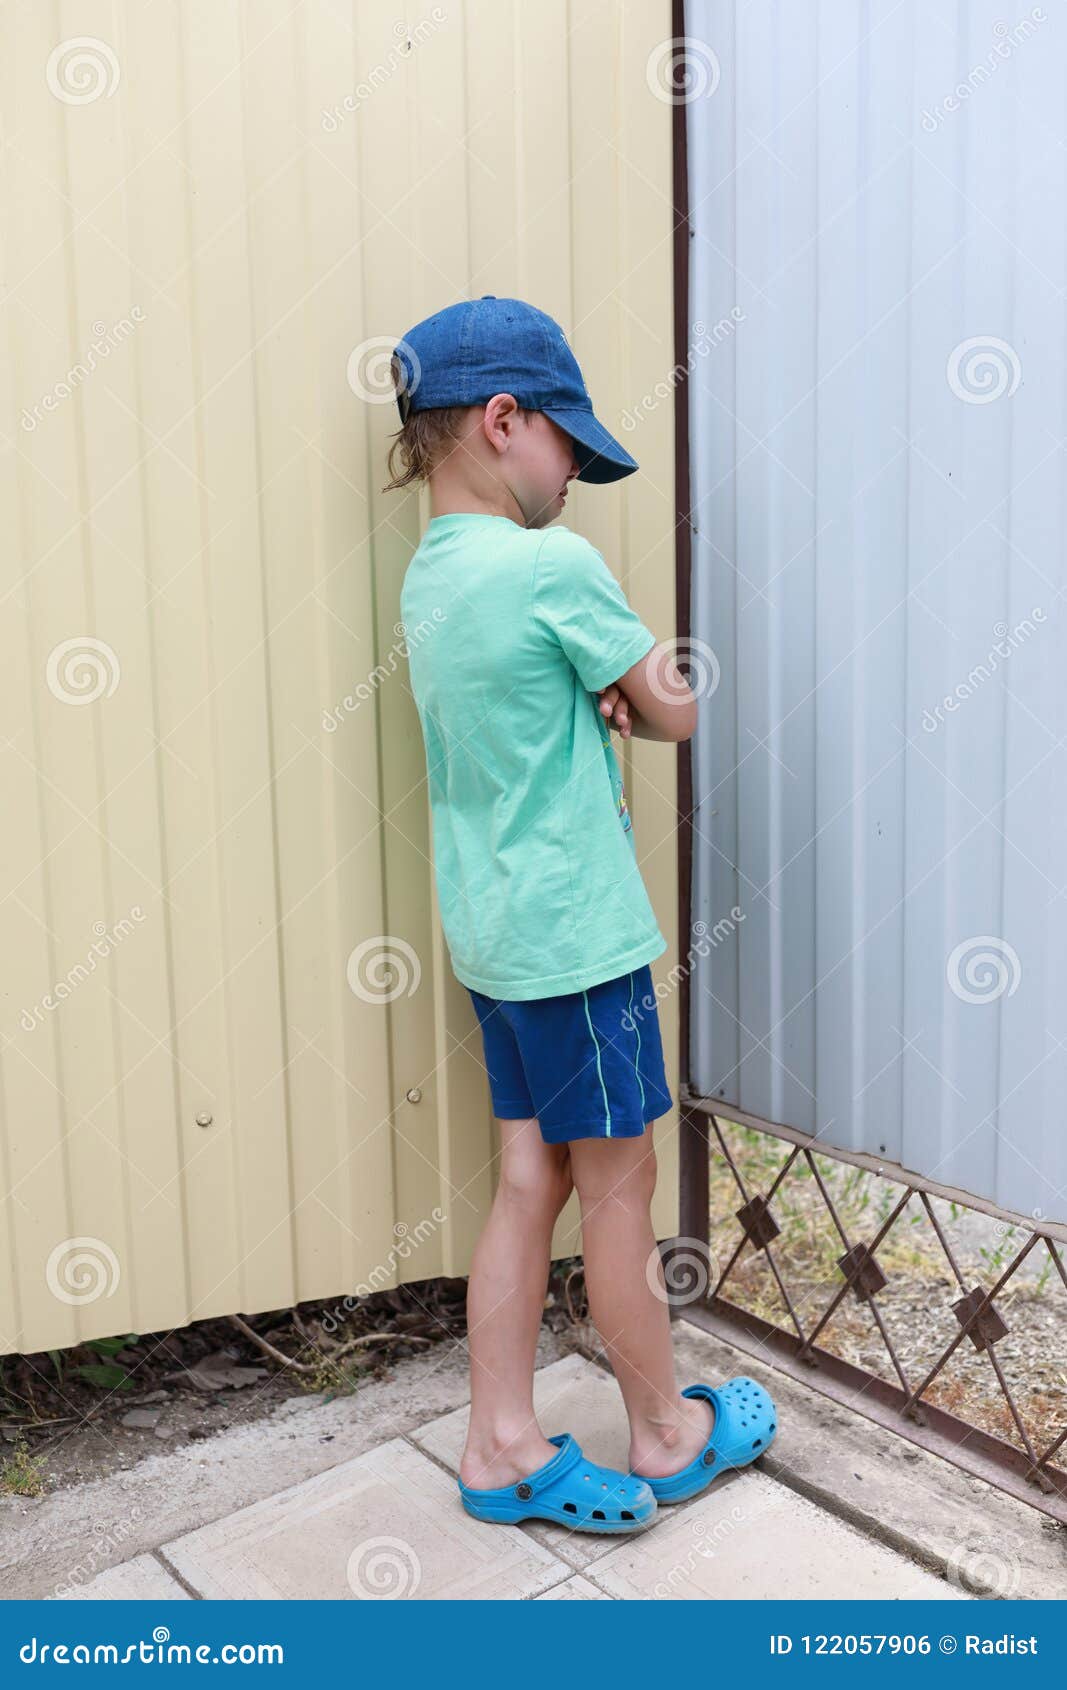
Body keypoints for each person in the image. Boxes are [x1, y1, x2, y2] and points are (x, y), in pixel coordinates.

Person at [389, 296, 776, 1533]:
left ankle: (497, 1442)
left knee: (527, 1175)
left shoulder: (430, 575)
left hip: (494, 935)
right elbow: (673, 707)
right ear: (503, 421)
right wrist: (627, 695)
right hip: (574, 939)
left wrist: (596, 696)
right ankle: (665, 1432)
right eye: (567, 443)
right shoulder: (548, 566)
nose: (573, 475)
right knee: (618, 1181)